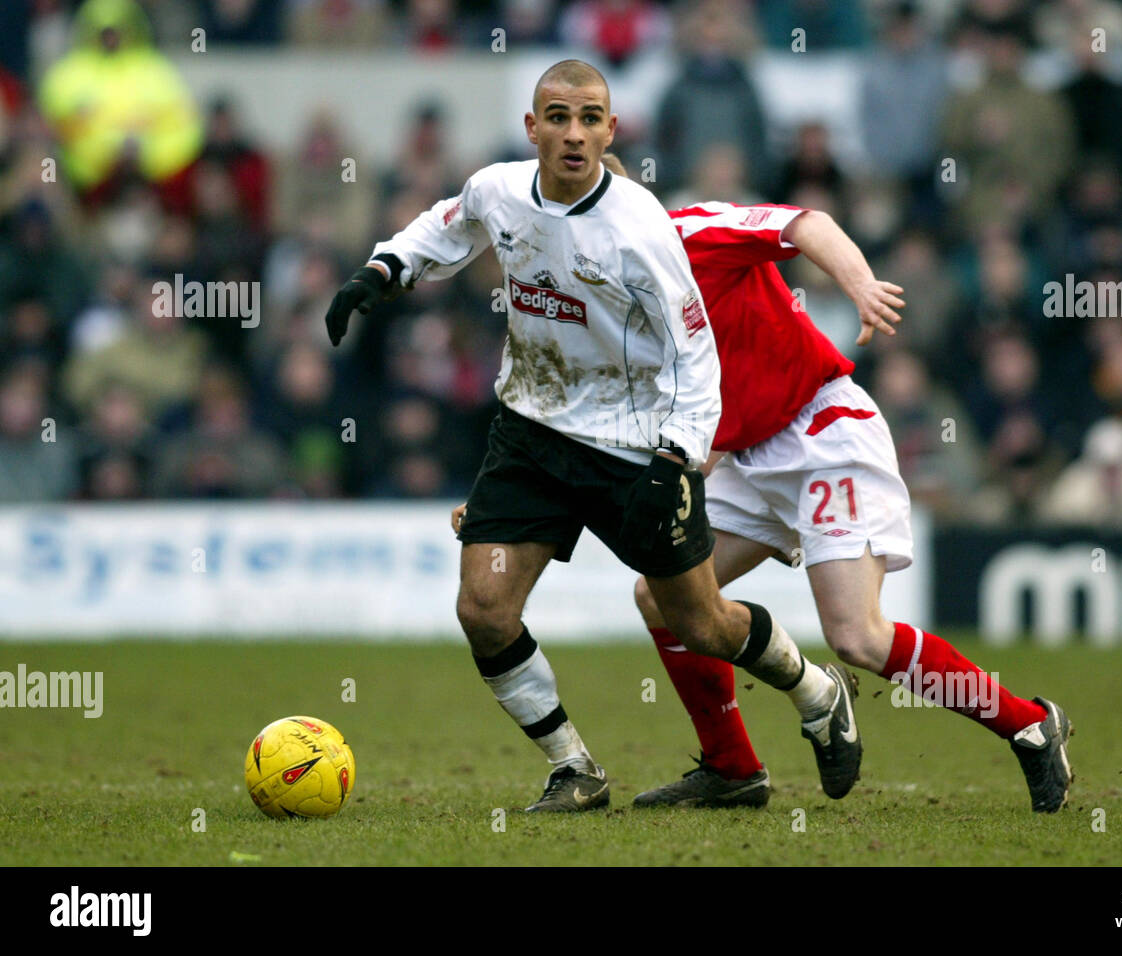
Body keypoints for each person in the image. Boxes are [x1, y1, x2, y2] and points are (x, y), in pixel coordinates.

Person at [458, 153, 1076, 813]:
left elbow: (807, 225)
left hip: (821, 432)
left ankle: (1029, 725)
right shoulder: (595, 305)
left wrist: (862, 284)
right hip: (741, 454)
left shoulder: (695, 232)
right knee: (662, 597)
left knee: (857, 636)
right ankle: (733, 769)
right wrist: (506, 503)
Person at [324, 60, 861, 812]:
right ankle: (575, 767)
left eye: (589, 118)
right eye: (558, 116)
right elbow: (450, 223)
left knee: (701, 623)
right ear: (532, 127)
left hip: (630, 447)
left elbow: (692, 356)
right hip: (529, 433)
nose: (573, 133)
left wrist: (678, 459)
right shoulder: (500, 190)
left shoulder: (640, 231)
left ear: (611, 130)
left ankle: (815, 690)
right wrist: (384, 269)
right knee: (483, 609)